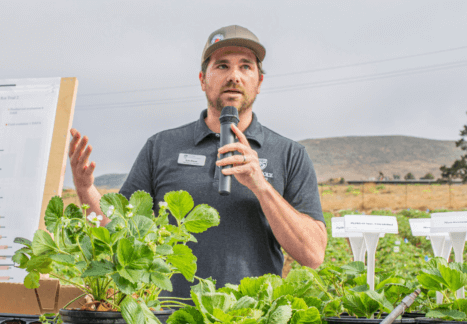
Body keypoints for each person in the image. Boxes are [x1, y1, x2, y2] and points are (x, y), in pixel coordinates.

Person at [67, 25, 327, 300]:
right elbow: (117, 230)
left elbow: (313, 255)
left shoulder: (290, 154)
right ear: (203, 79)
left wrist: (261, 186)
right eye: (222, 66)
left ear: (259, 82)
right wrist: (86, 189)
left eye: (245, 67)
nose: (234, 77)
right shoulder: (161, 146)